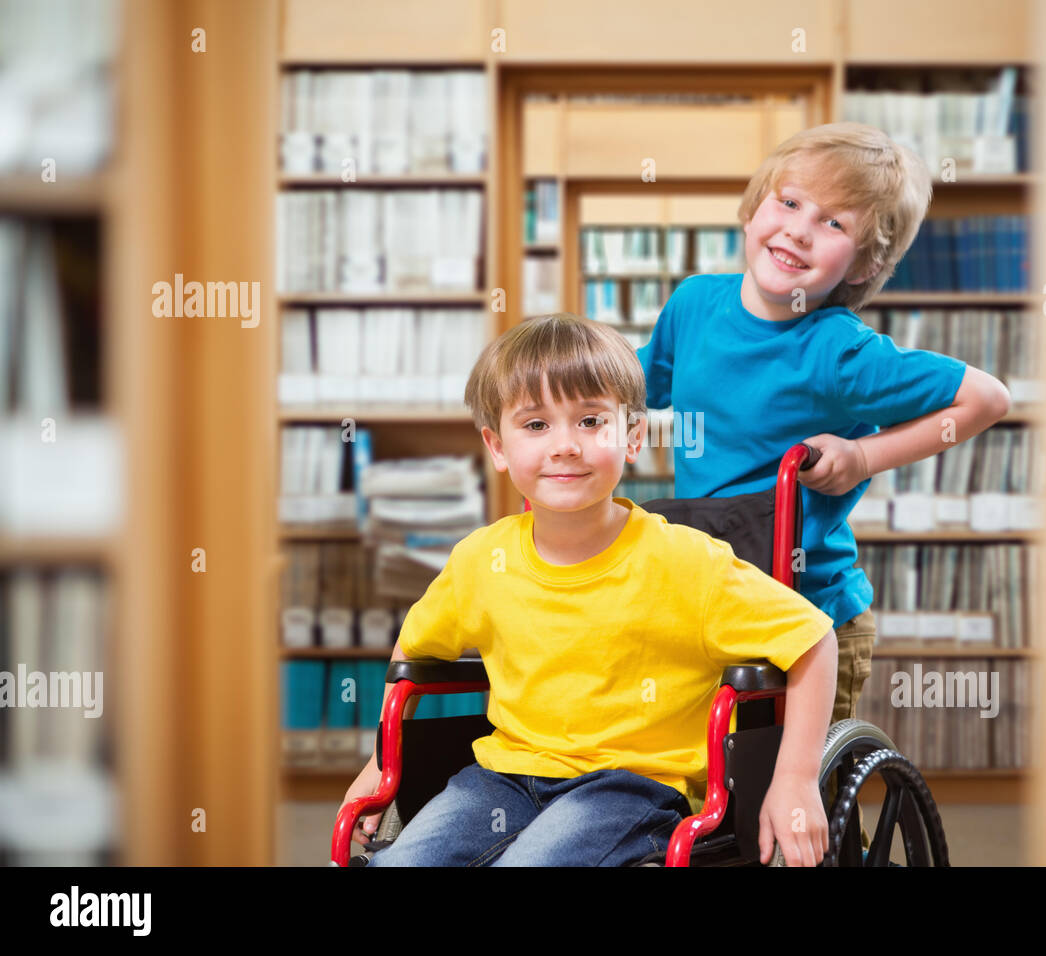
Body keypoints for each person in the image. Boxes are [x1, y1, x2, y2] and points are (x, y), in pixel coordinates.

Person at [340, 313, 838, 866]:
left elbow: (813, 639)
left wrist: (795, 779)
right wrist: (378, 767)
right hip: (503, 778)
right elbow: (414, 649)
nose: (565, 446)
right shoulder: (482, 560)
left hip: (630, 787)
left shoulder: (687, 562)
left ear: (632, 437)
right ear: (496, 446)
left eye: (590, 421)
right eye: (535, 426)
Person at [638, 122, 1011, 726]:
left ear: (863, 265)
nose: (798, 230)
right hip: (714, 597)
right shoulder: (693, 304)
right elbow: (635, 385)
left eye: (834, 223)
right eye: (788, 202)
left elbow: (986, 399)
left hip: (811, 616)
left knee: (799, 794)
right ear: (756, 204)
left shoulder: (840, 351)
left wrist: (863, 458)